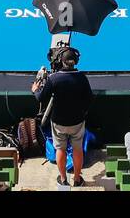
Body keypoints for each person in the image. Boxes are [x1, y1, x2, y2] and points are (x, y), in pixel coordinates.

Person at [32, 44, 94, 189]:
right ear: (75, 61)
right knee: (77, 149)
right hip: (77, 121)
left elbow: (41, 97)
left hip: (59, 122)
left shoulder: (53, 79)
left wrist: (35, 90)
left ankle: (63, 179)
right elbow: (89, 99)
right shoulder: (82, 78)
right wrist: (82, 112)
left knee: (61, 149)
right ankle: (77, 179)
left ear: (61, 61)